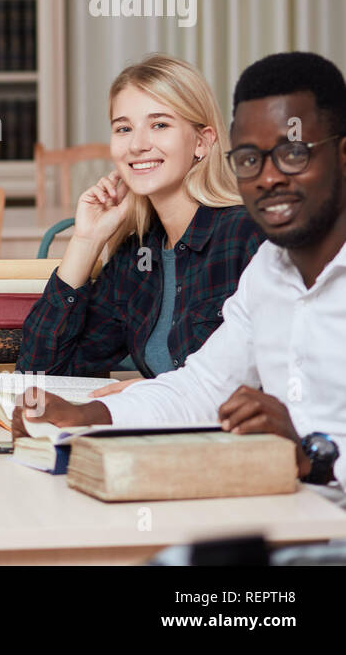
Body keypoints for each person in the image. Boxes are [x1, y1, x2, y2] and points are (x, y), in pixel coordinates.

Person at [18, 52, 346, 491]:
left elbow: (282, 427)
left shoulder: (250, 240)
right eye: (249, 159)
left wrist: (310, 457)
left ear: (203, 143)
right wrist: (86, 416)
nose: (268, 178)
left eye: (292, 153)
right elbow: (201, 386)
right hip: (266, 496)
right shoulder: (268, 268)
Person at [17, 55, 262, 381]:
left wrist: (151, 395)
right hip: (159, 431)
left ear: (202, 142)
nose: (137, 144)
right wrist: (85, 242)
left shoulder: (247, 235)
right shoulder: (138, 256)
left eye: (159, 124)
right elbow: (40, 375)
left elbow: (276, 382)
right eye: (124, 128)